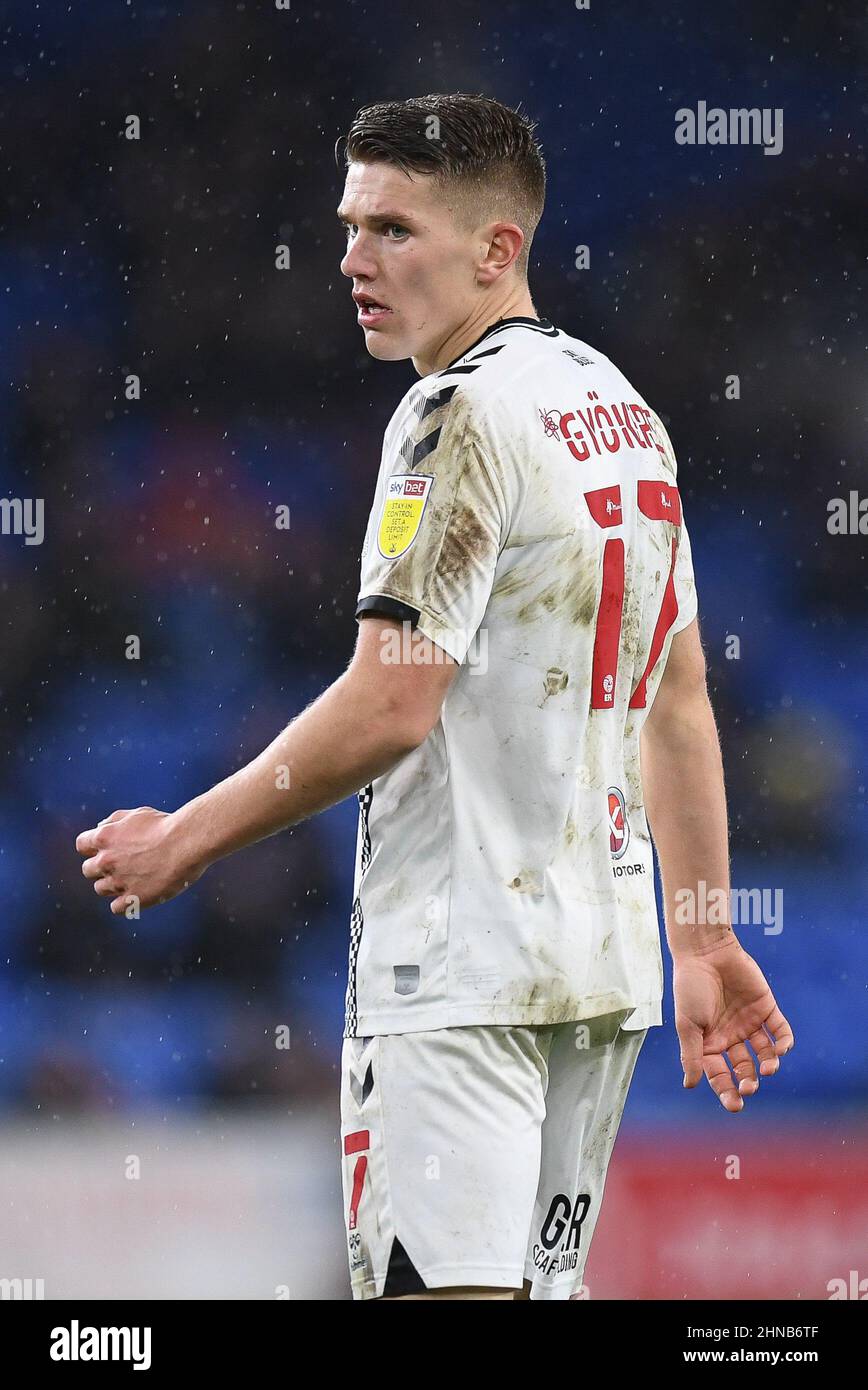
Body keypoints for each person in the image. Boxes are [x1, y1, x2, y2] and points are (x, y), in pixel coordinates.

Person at [75, 93, 794, 1302]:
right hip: (598, 975)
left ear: (495, 250)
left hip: (459, 976)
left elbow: (394, 701)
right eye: (350, 225)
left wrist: (182, 840)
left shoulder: (453, 413)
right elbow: (675, 694)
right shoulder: (621, 407)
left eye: (394, 230)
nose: (352, 259)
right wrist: (702, 932)